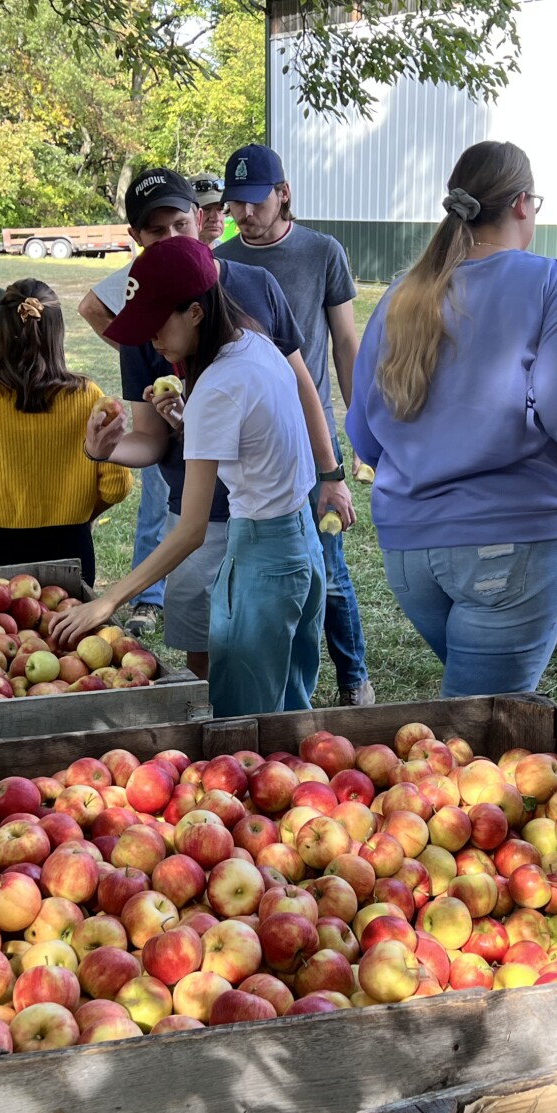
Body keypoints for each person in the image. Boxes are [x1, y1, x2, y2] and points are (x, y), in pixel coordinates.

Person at [348, 141, 557, 697]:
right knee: (480, 748)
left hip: (409, 553)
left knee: (469, 731)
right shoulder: (552, 282)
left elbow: (364, 433)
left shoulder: (403, 294)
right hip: (513, 547)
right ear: (524, 204)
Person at [63, 236, 352, 716]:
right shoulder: (255, 342)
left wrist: (108, 600)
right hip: (300, 544)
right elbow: (255, 438)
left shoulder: (218, 384)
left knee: (242, 724)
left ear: (194, 313)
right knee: (289, 705)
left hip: (261, 557)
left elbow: (191, 530)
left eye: (157, 323)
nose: (151, 340)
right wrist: (183, 420)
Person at [216, 144, 375, 705]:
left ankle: (353, 677)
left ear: (283, 193)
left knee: (326, 562)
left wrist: (359, 431)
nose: (243, 216)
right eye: (234, 205)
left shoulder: (321, 252)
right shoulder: (221, 260)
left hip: (310, 433)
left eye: (254, 203)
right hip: (244, 440)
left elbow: (346, 342)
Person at [76, 170, 215, 630]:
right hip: (192, 501)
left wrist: (330, 471)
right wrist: (104, 449)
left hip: (262, 515)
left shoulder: (248, 307)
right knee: (201, 645)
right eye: (156, 231)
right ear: (135, 237)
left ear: (198, 218)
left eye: (180, 224)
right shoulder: (139, 321)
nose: (171, 238)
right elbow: (152, 440)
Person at [0, 280, 130, 582]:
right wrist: (82, 516)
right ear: (57, 331)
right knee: (65, 628)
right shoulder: (88, 395)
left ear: (1, 326)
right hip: (68, 547)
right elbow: (116, 486)